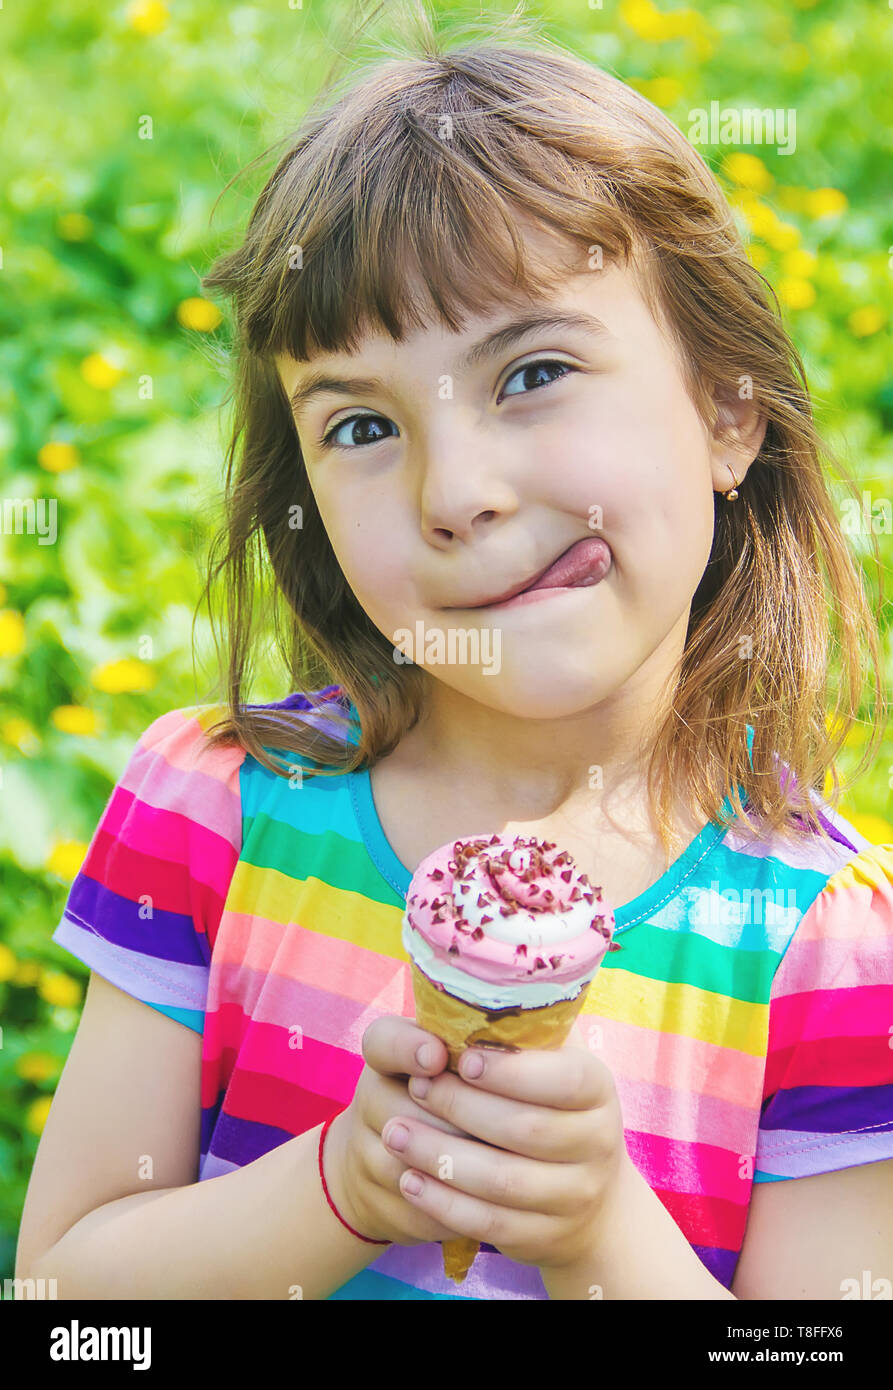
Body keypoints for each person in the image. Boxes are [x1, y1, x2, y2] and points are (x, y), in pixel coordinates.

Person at [17, 24, 893, 1301]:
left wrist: (602, 1237)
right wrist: (339, 1189)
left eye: (531, 372)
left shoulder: (829, 953)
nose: (455, 492)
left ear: (726, 408)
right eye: (362, 424)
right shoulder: (211, 809)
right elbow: (64, 1307)